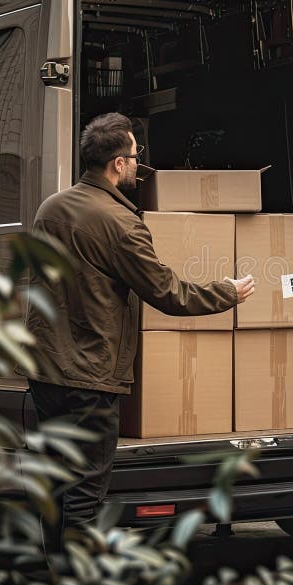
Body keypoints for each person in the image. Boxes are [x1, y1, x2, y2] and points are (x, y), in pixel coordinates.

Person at [25, 112, 254, 540]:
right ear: (117, 164)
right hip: (89, 379)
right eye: (135, 155)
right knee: (85, 494)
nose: (138, 163)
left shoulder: (50, 209)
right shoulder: (120, 223)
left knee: (56, 485)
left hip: (45, 372)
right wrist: (227, 292)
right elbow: (167, 292)